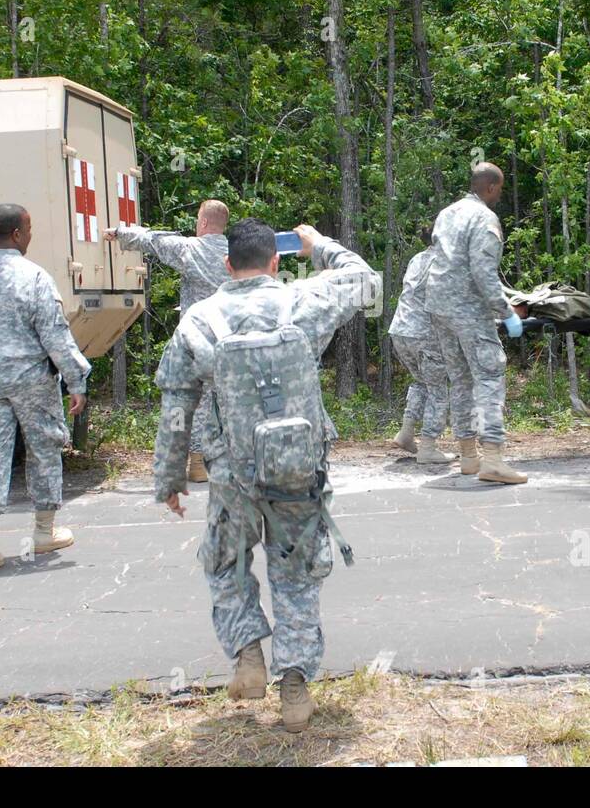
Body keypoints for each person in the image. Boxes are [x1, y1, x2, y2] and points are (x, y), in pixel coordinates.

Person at [151, 219, 380, 732]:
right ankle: (294, 686)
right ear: (275, 263)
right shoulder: (304, 300)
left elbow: (177, 407)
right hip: (298, 470)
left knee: (225, 562)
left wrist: (169, 479)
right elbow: (366, 280)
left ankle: (248, 652)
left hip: (232, 475)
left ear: (226, 265)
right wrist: (318, 245)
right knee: (296, 574)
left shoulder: (199, 319)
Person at [0, 204, 91, 568]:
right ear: (16, 234)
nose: (30, 235)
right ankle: (43, 531)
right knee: (44, 449)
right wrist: (76, 379)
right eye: (28, 229)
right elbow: (55, 335)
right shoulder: (35, 277)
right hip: (32, 381)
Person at [107, 199, 230, 482]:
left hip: (198, 340)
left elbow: (153, 241)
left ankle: (197, 462)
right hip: (231, 338)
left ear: (203, 222)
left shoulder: (191, 249)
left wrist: (119, 232)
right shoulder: (238, 254)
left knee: (197, 401)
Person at [426, 163, 527, 485]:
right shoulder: (484, 218)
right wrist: (506, 312)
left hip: (439, 307)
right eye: (500, 189)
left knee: (460, 379)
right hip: (468, 308)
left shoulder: (447, 213)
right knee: (488, 375)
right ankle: (493, 459)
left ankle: (469, 456)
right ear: (491, 187)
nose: (500, 195)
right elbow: (483, 272)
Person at [388, 226, 455, 465]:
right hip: (425, 334)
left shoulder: (418, 258)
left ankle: (406, 433)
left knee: (422, 382)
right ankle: (428, 447)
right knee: (438, 390)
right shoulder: (444, 262)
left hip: (401, 330)